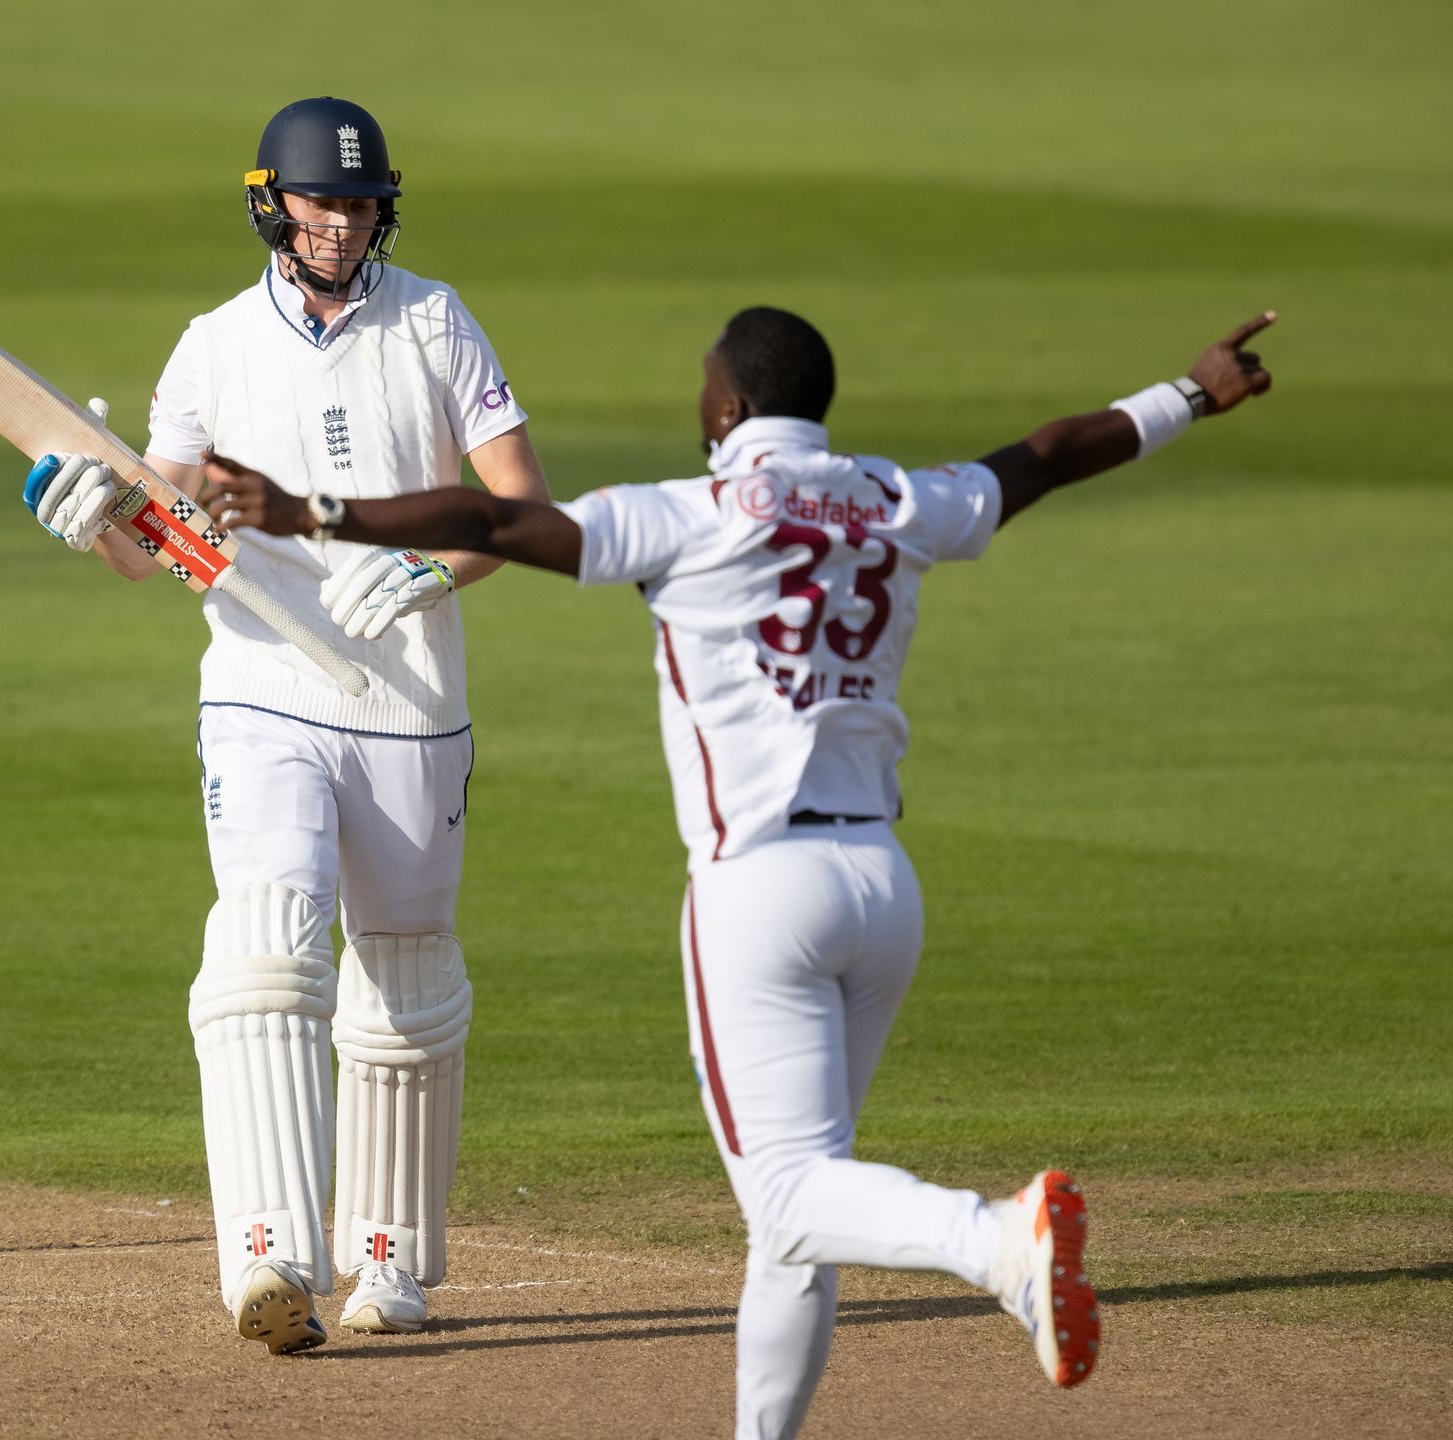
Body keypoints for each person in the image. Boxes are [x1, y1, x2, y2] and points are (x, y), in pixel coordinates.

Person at [206, 306, 1276, 1430]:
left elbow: (492, 516)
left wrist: (317, 510)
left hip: (759, 889)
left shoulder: (687, 515)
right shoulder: (897, 499)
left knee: (790, 1191)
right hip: (883, 884)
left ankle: (1002, 1243)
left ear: (723, 408)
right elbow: (1049, 456)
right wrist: (1191, 393)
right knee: (797, 1219)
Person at [16, 97, 552, 1353]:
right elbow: (157, 549)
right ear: (273, 204)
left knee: (407, 979)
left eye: (363, 205)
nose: (345, 225)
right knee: (265, 947)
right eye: (325, 204)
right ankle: (267, 1260)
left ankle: (391, 1266)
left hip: (411, 699)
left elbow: (520, 508)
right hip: (260, 685)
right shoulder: (209, 346)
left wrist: (432, 569)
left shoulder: (435, 316)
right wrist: (94, 514)